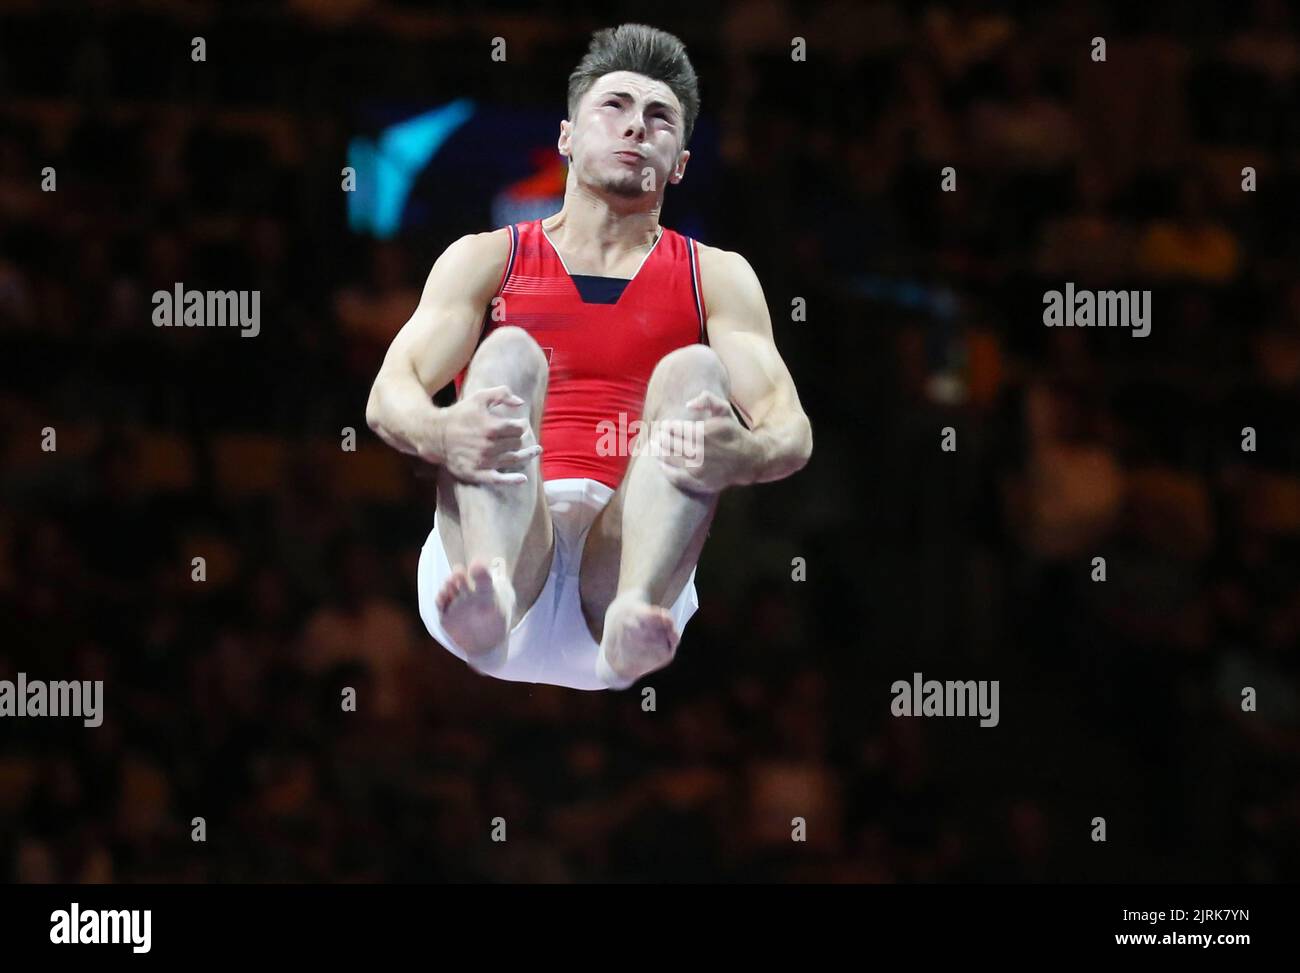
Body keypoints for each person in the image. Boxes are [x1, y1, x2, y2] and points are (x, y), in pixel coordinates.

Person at [366, 23, 812, 690]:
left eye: (660, 118)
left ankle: (635, 603)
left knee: (696, 374)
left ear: (680, 163)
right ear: (567, 138)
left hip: (628, 560)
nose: (636, 127)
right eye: (615, 107)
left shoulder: (716, 276)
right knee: (509, 352)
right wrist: (441, 429)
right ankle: (492, 589)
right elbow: (388, 395)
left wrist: (741, 455)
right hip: (505, 548)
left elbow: (790, 426)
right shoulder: (487, 257)